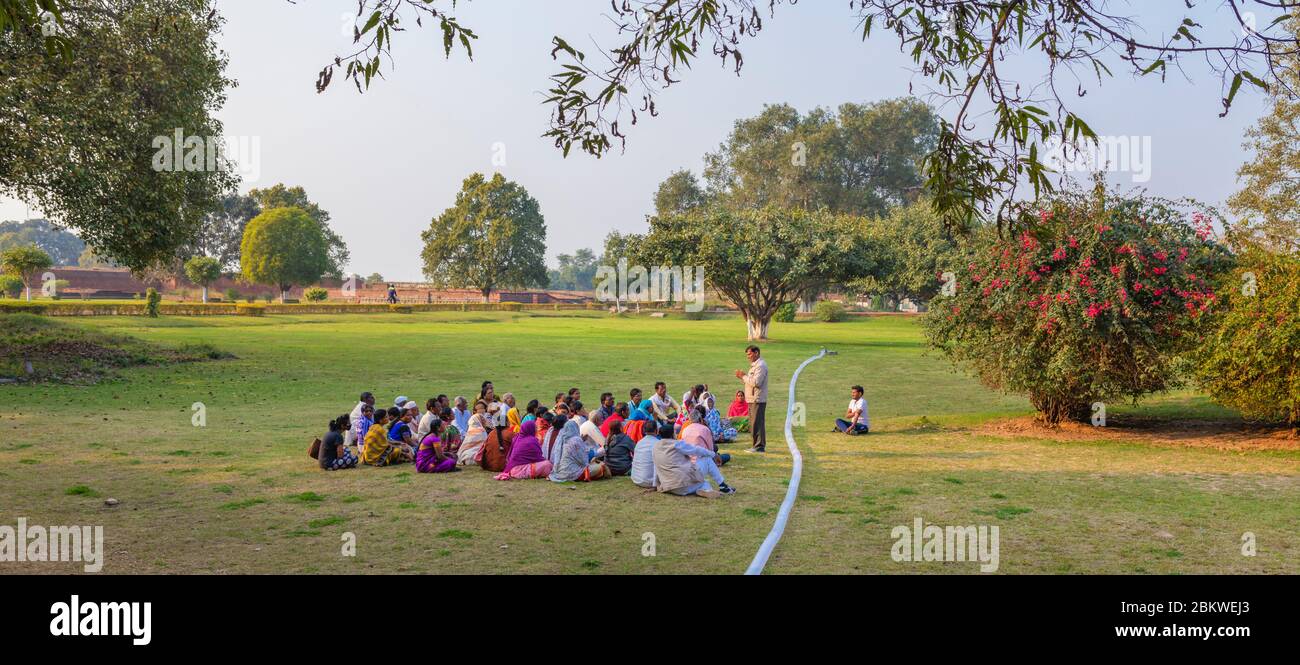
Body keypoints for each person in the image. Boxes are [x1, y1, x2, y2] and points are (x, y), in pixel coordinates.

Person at [651, 423, 735, 497]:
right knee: (707, 459)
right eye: (674, 432)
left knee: (703, 482)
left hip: (669, 487)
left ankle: (706, 489)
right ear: (672, 434)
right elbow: (697, 450)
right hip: (683, 484)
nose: (676, 433)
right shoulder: (677, 444)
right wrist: (713, 454)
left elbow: (656, 467)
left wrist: (655, 485)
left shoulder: (655, 447)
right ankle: (723, 487)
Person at [735, 344, 769, 453]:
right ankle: (756, 445)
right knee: (753, 423)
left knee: (757, 423)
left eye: (749, 354)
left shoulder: (761, 366)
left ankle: (759, 446)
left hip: (757, 399)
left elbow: (756, 382)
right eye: (747, 355)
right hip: (751, 399)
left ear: (756, 353)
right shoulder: (754, 366)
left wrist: (743, 376)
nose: (748, 356)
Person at [457, 400, 492, 466]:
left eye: (483, 408)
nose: (482, 410)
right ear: (474, 412)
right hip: (476, 455)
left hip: (466, 456)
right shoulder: (480, 430)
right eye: (480, 409)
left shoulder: (472, 428)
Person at [630, 423, 660, 489]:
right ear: (656, 430)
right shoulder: (658, 443)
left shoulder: (639, 442)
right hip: (651, 482)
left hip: (636, 479)